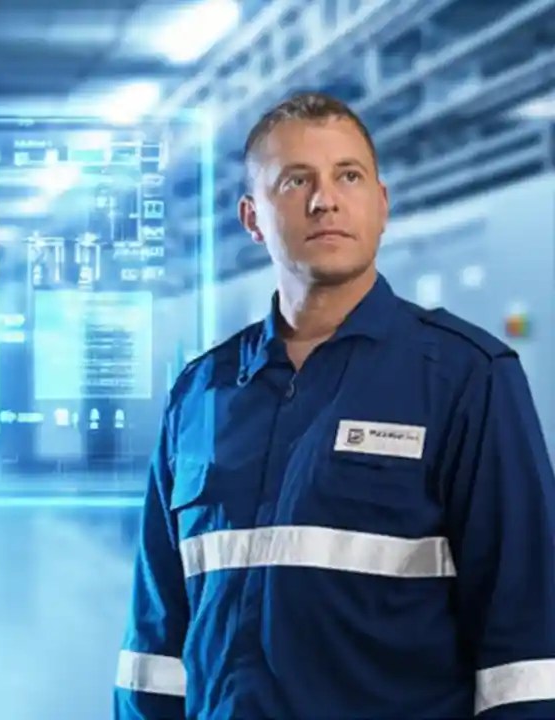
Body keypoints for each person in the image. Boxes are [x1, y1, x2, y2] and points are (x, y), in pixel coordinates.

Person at [113, 91, 555, 717]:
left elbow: (526, 652)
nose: (325, 199)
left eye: (348, 175)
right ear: (252, 217)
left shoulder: (467, 378)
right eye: (295, 181)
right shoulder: (200, 394)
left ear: (382, 203)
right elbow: (155, 641)